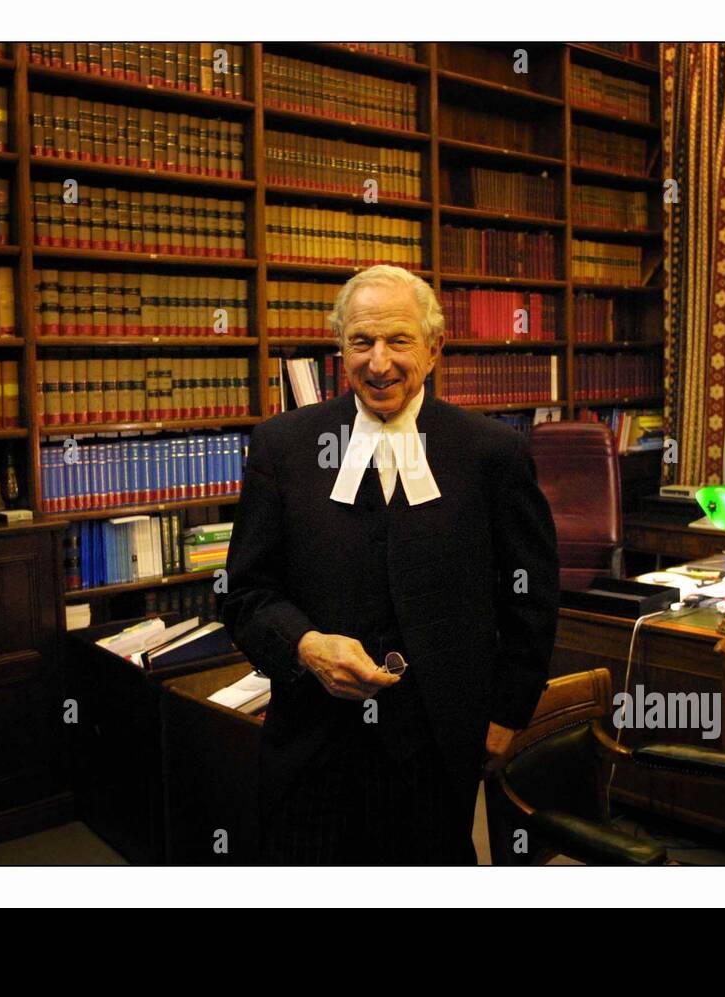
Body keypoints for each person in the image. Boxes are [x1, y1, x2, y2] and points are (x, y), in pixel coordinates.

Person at [221, 265, 559, 864]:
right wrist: (305, 645)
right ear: (340, 349)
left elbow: (529, 596)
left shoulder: (491, 452)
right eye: (361, 342)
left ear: (434, 349)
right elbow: (245, 592)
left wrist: (507, 713)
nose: (379, 363)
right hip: (314, 745)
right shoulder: (282, 446)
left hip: (436, 745)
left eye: (398, 341)